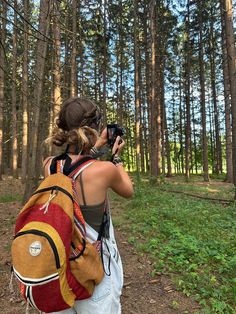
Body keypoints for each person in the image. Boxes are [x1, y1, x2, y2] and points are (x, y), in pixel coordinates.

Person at [43, 96, 134, 314]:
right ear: (93, 127)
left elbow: (72, 169)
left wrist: (95, 146)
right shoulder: (105, 170)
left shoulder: (49, 165)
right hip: (93, 273)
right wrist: (116, 158)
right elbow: (129, 191)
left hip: (58, 269)